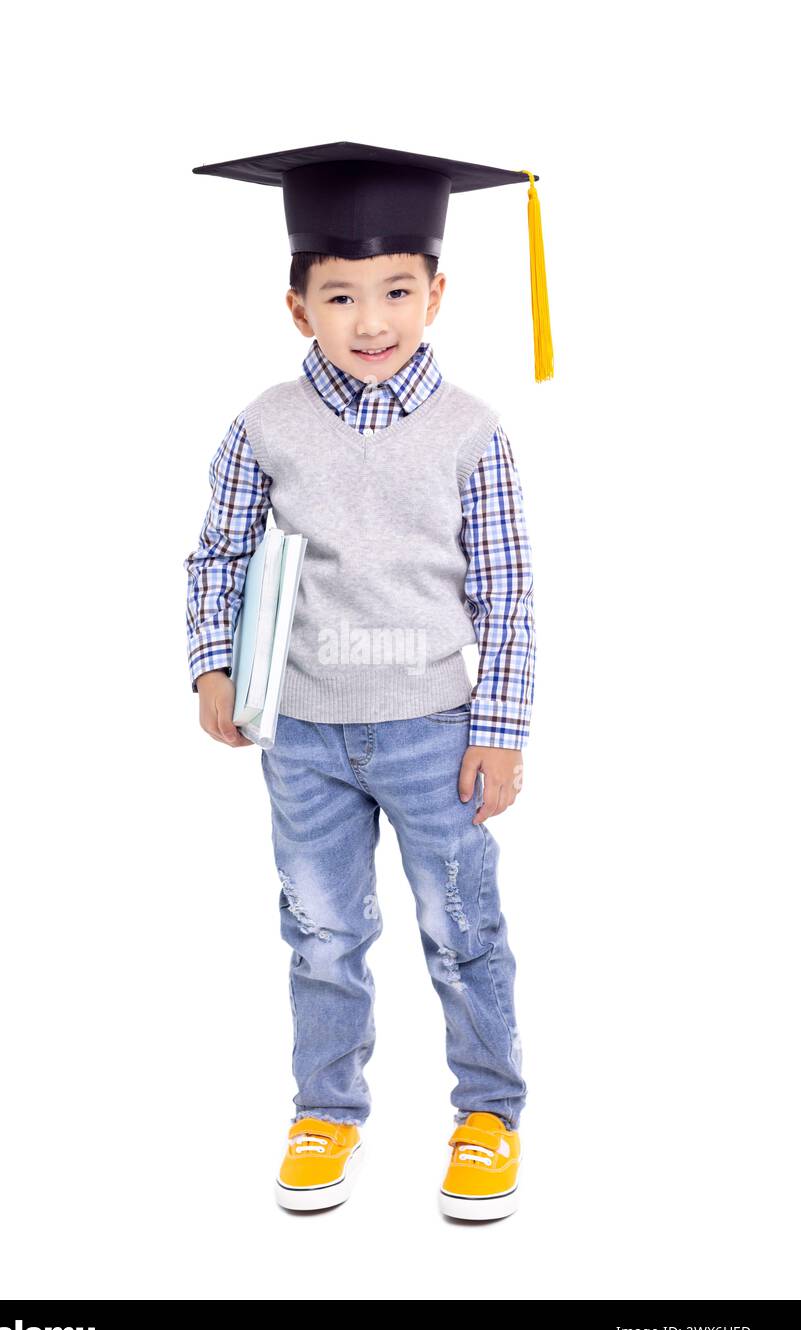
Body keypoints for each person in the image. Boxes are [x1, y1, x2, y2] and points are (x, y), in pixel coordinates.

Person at [183, 142, 550, 1221]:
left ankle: (485, 1111)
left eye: (396, 289)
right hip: (302, 735)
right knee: (322, 928)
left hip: (436, 733)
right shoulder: (263, 426)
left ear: (435, 292)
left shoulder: (471, 433)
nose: (371, 317)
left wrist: (501, 729)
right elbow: (217, 552)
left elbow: (508, 593)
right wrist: (210, 661)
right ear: (298, 306)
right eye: (340, 294)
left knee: (460, 926)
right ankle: (324, 1108)